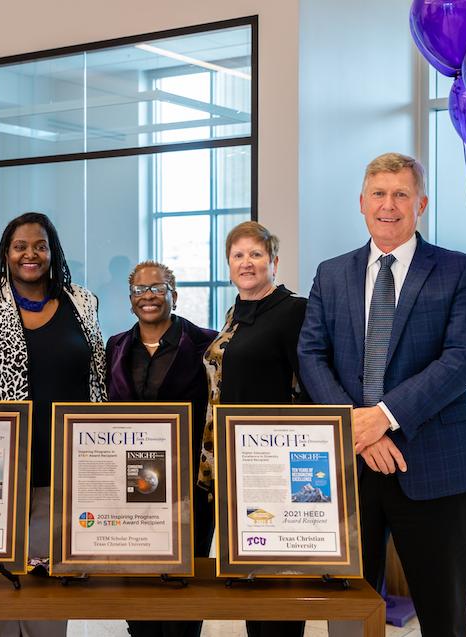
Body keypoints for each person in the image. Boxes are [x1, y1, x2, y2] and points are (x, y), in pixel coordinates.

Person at [298, 152, 466, 636]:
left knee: (444, 613)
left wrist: (382, 416)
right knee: (345, 611)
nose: (389, 205)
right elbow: (311, 355)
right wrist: (357, 427)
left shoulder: (458, 270)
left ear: (420, 203)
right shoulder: (331, 273)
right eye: (379, 194)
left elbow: (464, 358)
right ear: (362, 203)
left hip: (435, 462)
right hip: (349, 465)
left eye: (401, 194)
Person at [0, 211, 106, 637]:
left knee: (51, 590)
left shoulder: (83, 300)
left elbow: (97, 377)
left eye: (39, 245)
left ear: (52, 251)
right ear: (6, 252)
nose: (30, 254)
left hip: (62, 468)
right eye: (20, 246)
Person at [196, 221, 308, 637]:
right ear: (229, 264)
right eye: (238, 255)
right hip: (229, 462)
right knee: (248, 577)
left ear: (274, 262)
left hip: (269, 464)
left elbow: (309, 386)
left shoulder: (294, 310)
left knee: (274, 580)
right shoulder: (237, 313)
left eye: (256, 254)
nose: (247, 262)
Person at [105, 260, 217, 637]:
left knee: (187, 579)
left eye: (157, 288)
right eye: (139, 290)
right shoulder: (116, 346)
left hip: (189, 484)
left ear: (174, 294)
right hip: (132, 485)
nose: (148, 296)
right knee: (137, 577)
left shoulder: (206, 343)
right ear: (130, 299)